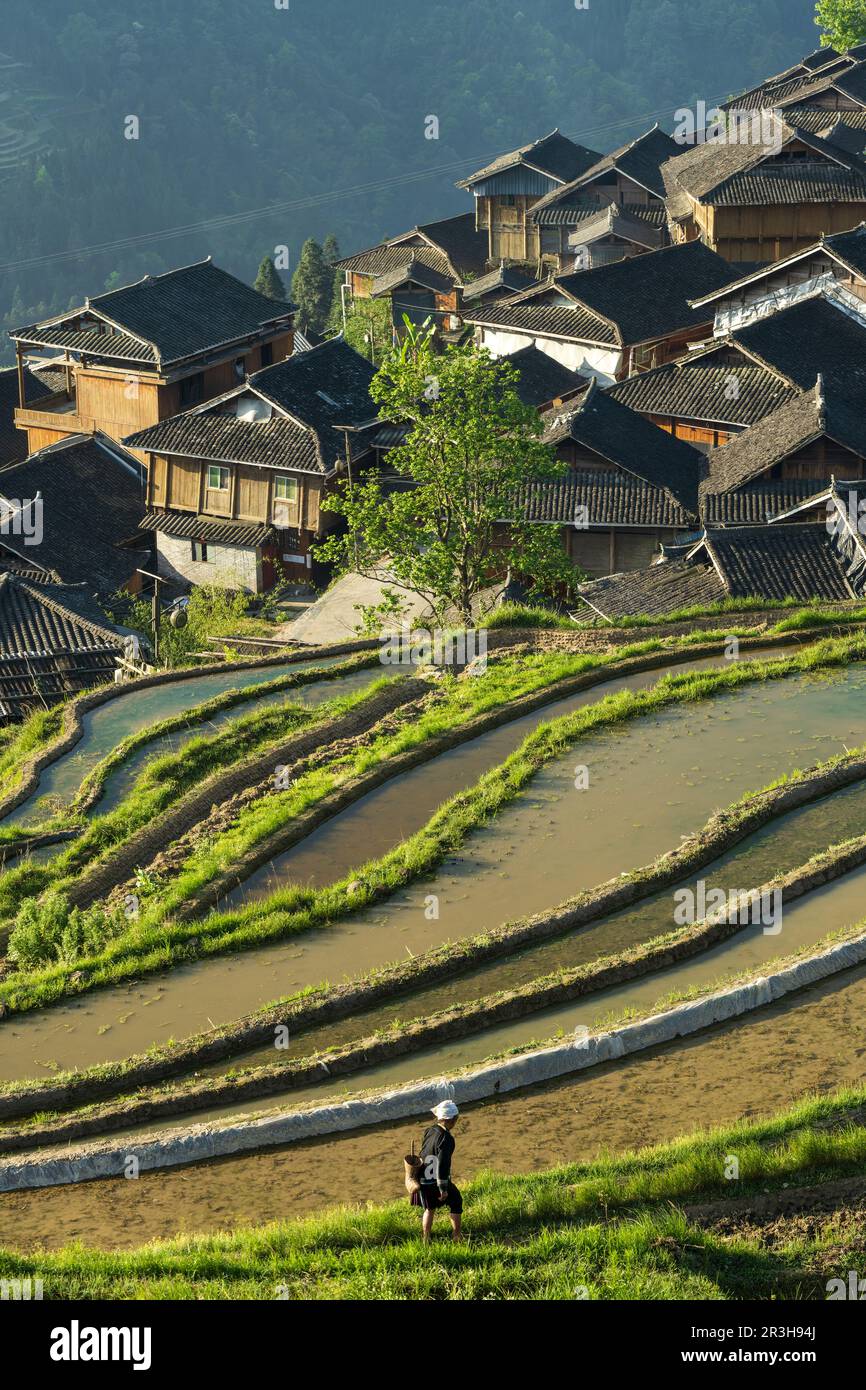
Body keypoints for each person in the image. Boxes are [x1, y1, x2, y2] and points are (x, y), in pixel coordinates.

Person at [418, 1100, 462, 1244]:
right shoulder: (447, 1138)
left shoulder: (429, 1131)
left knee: (429, 1208)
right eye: (456, 1118)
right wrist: (443, 1188)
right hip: (436, 1180)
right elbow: (443, 1164)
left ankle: (426, 1239)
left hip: (423, 1177)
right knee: (456, 1200)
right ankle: (456, 1236)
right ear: (451, 1119)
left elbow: (423, 1153)